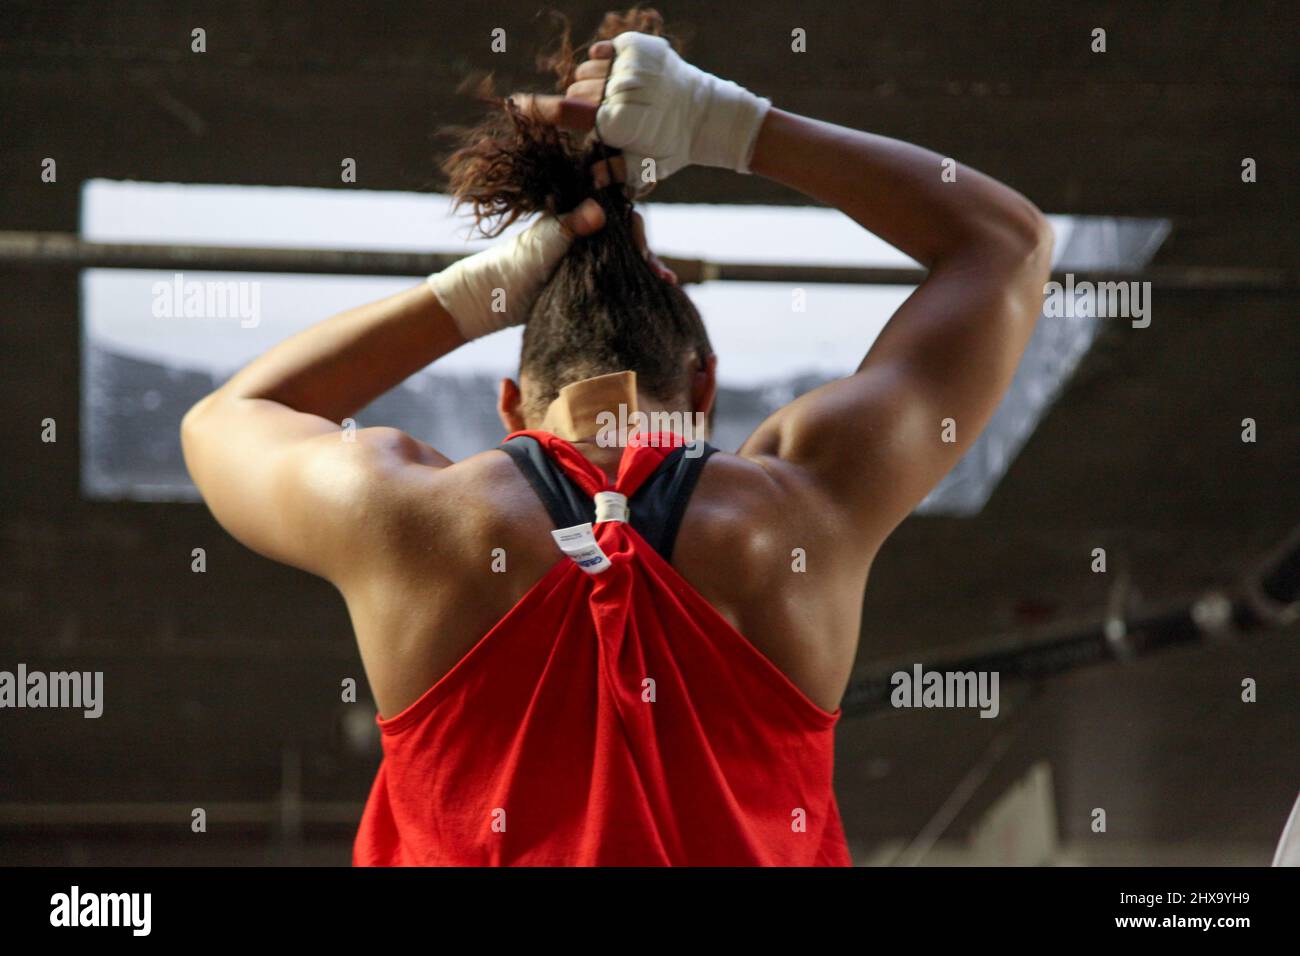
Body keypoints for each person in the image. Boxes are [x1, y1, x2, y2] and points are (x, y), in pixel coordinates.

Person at [181, 7, 1053, 865]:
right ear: (702, 389)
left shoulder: (411, 518)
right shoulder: (802, 512)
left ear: (512, 405)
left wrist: (474, 296)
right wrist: (734, 125)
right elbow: (1006, 244)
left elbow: (221, 419)